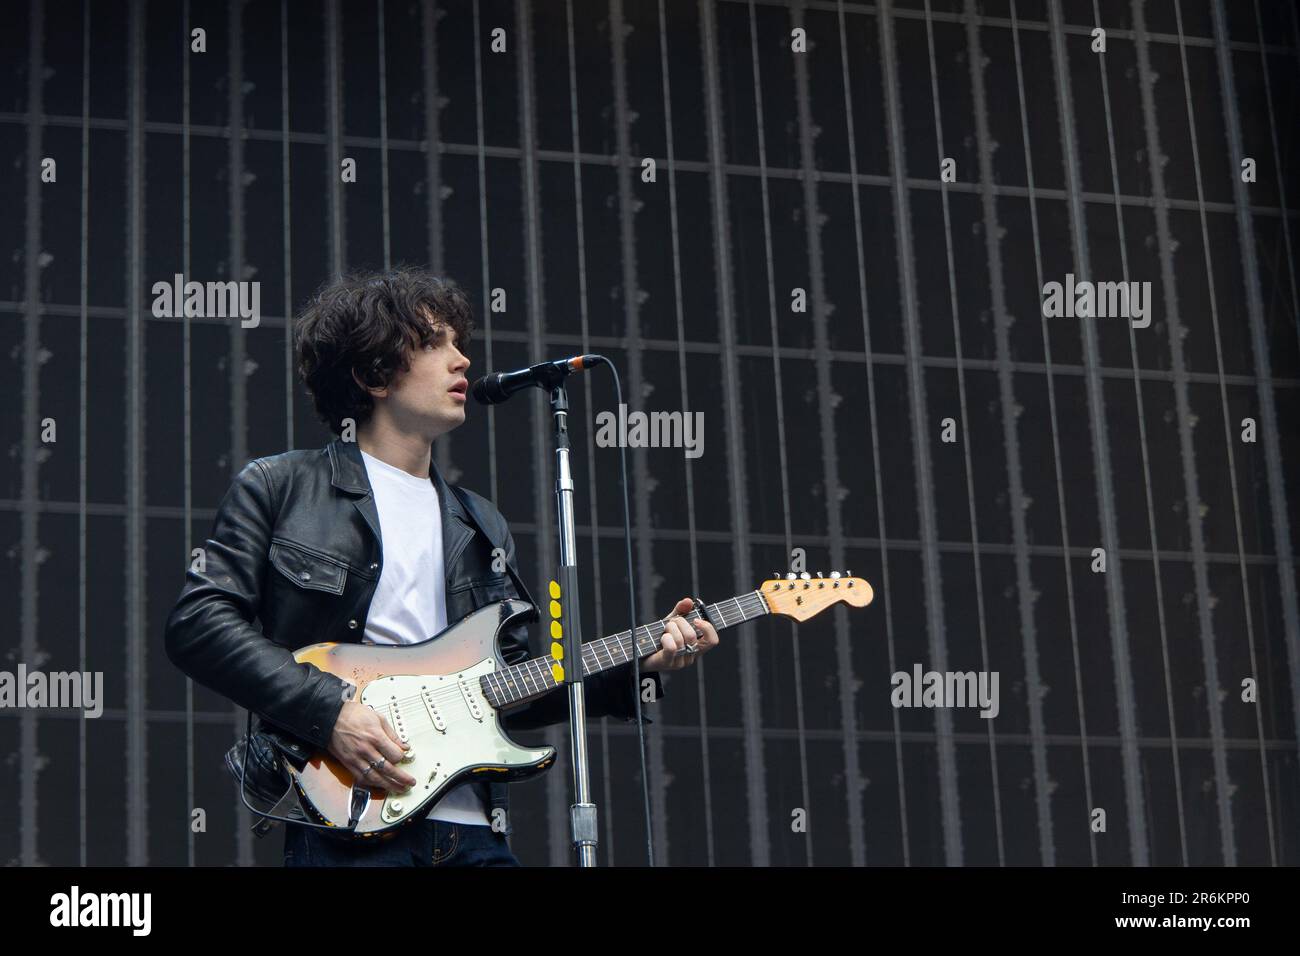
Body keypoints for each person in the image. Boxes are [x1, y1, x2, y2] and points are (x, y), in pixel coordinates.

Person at [163, 267, 719, 866]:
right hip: (349, 825)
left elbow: (515, 687)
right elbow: (200, 624)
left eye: (460, 344)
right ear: (373, 374)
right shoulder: (281, 487)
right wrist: (328, 712)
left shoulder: (479, 522)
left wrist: (643, 664)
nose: (462, 362)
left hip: (472, 833)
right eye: (434, 343)